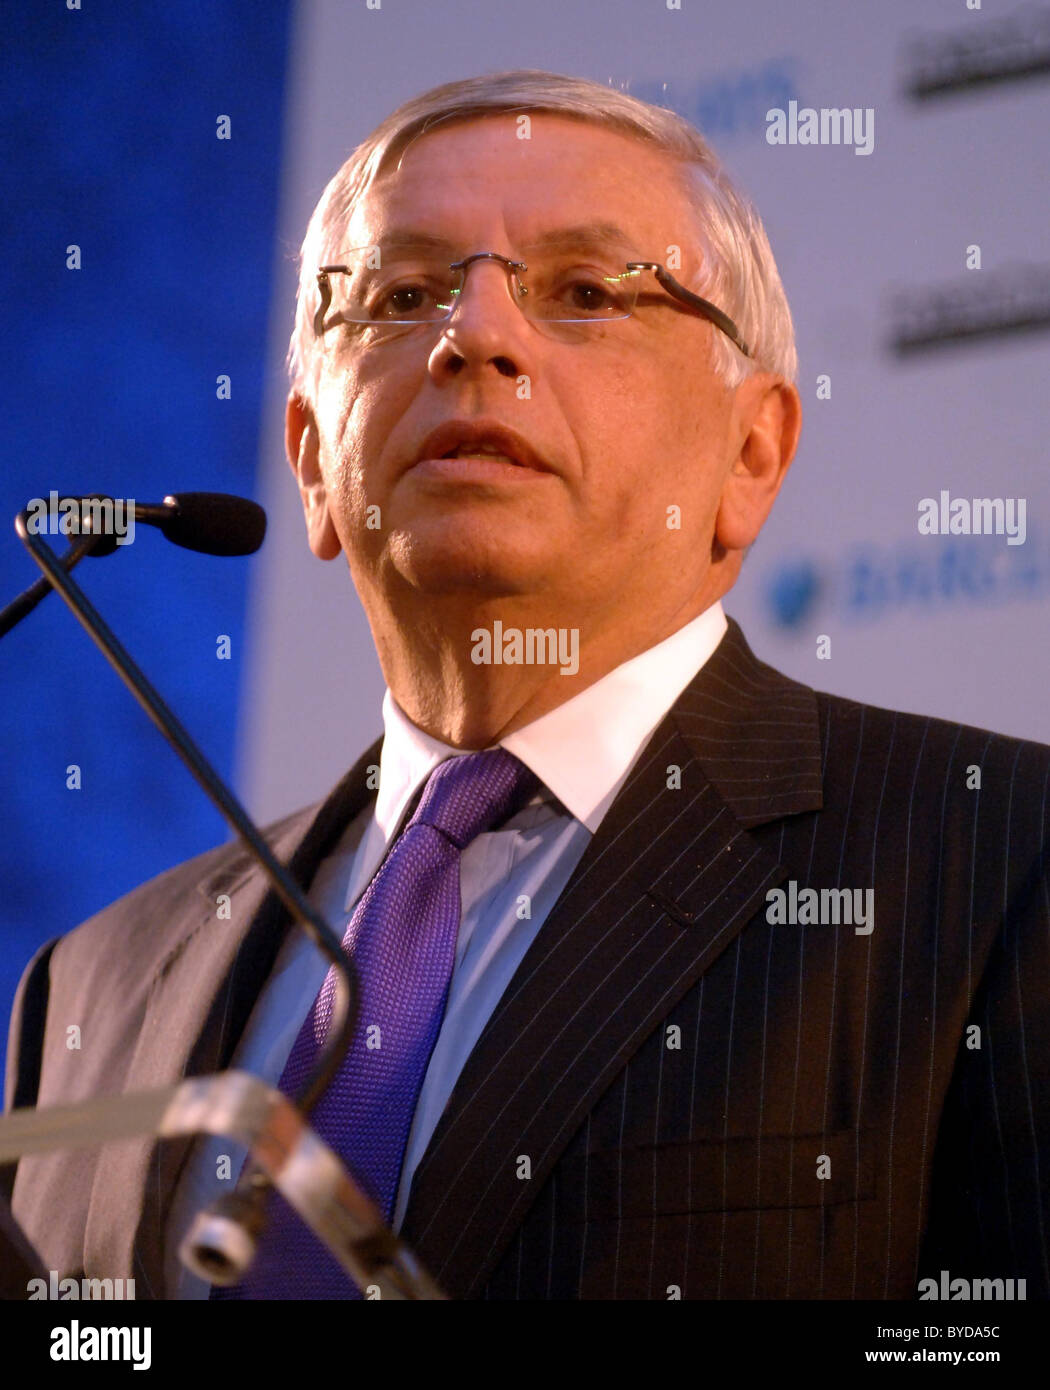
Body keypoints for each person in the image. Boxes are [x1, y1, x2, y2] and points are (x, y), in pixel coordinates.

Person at [4, 69, 1049, 1302]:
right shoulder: (93, 980)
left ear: (751, 453)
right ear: (311, 463)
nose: (474, 337)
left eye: (589, 294)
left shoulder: (996, 858)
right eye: (401, 295)